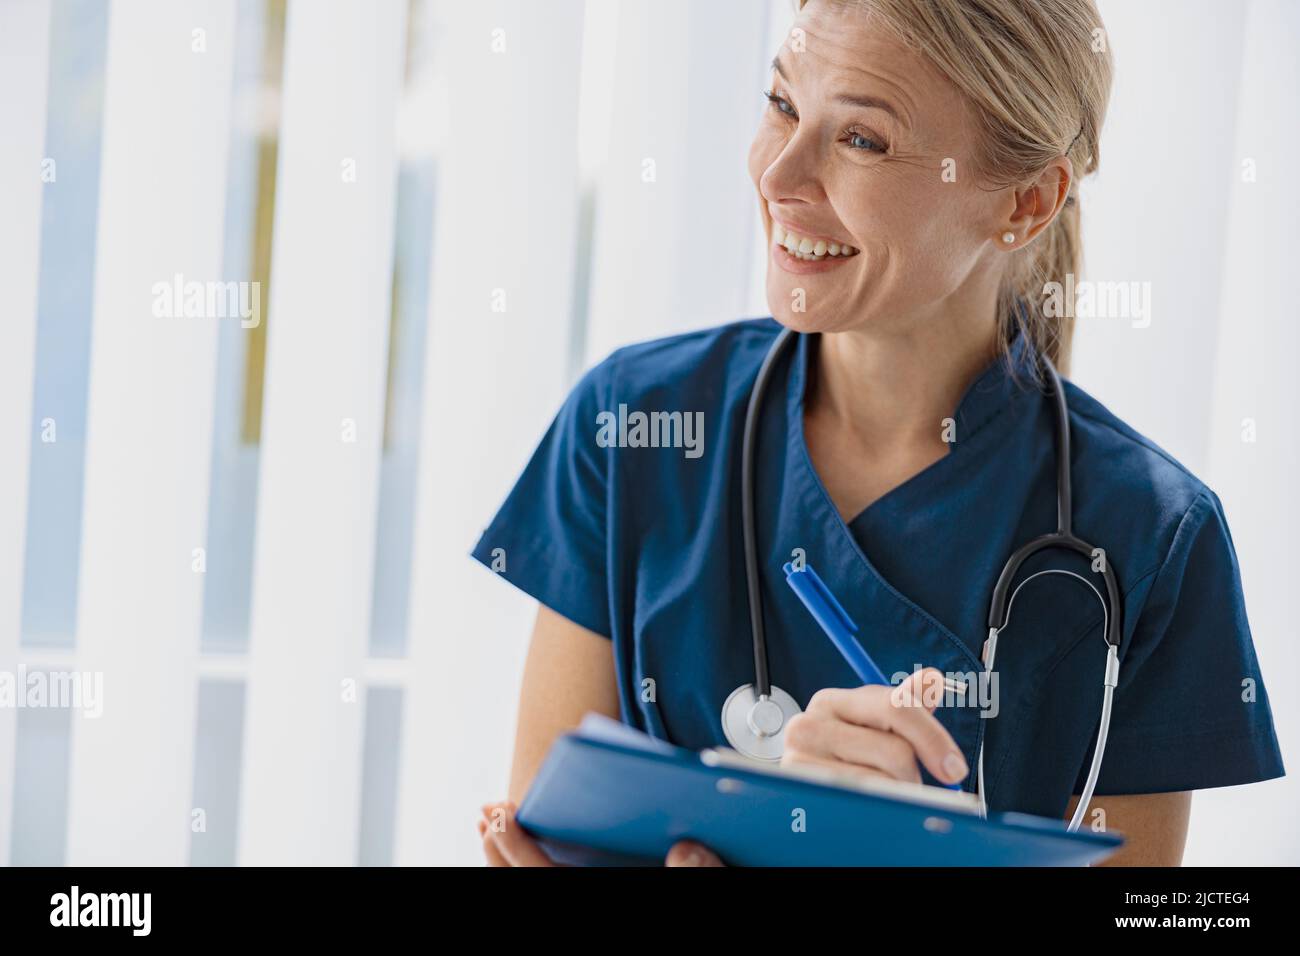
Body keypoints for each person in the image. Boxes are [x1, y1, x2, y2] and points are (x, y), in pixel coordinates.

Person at [472, 0, 1284, 866]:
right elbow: (547, 838)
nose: (780, 174)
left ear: (1026, 198)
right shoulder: (633, 427)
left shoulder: (1152, 538)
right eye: (784, 104)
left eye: (860, 139)